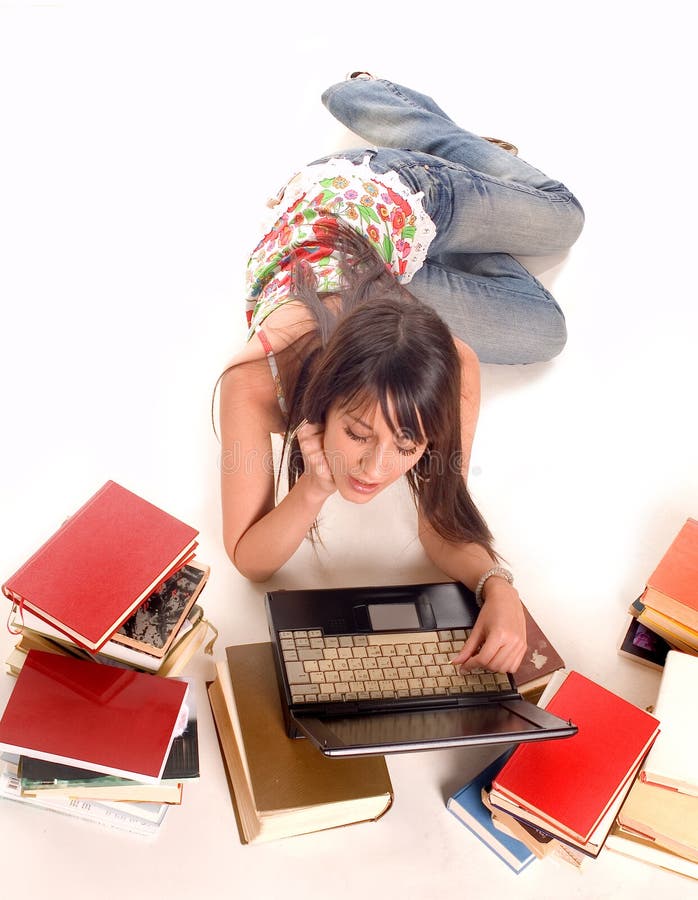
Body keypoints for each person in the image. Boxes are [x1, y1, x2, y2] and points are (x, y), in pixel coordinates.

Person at [218, 75, 584, 675]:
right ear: (327, 401)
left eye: (407, 445)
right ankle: (398, 142)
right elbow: (249, 559)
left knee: (557, 270)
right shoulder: (256, 382)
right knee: (553, 268)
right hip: (358, 208)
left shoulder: (449, 367)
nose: (374, 470)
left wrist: (499, 585)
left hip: (401, 203)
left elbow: (442, 515)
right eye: (359, 434)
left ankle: (427, 159)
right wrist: (311, 488)